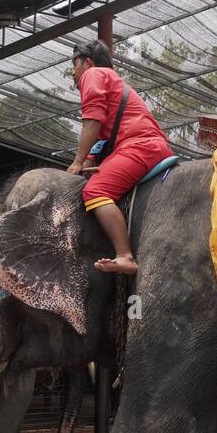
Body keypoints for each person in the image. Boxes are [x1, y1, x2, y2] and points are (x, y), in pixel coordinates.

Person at [65, 39, 174, 275]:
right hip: (147, 145)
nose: (73, 72)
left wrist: (76, 163)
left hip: (139, 146)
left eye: (75, 64)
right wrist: (88, 161)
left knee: (95, 191)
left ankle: (125, 256)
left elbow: (93, 120)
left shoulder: (92, 75)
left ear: (88, 62)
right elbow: (105, 133)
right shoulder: (110, 78)